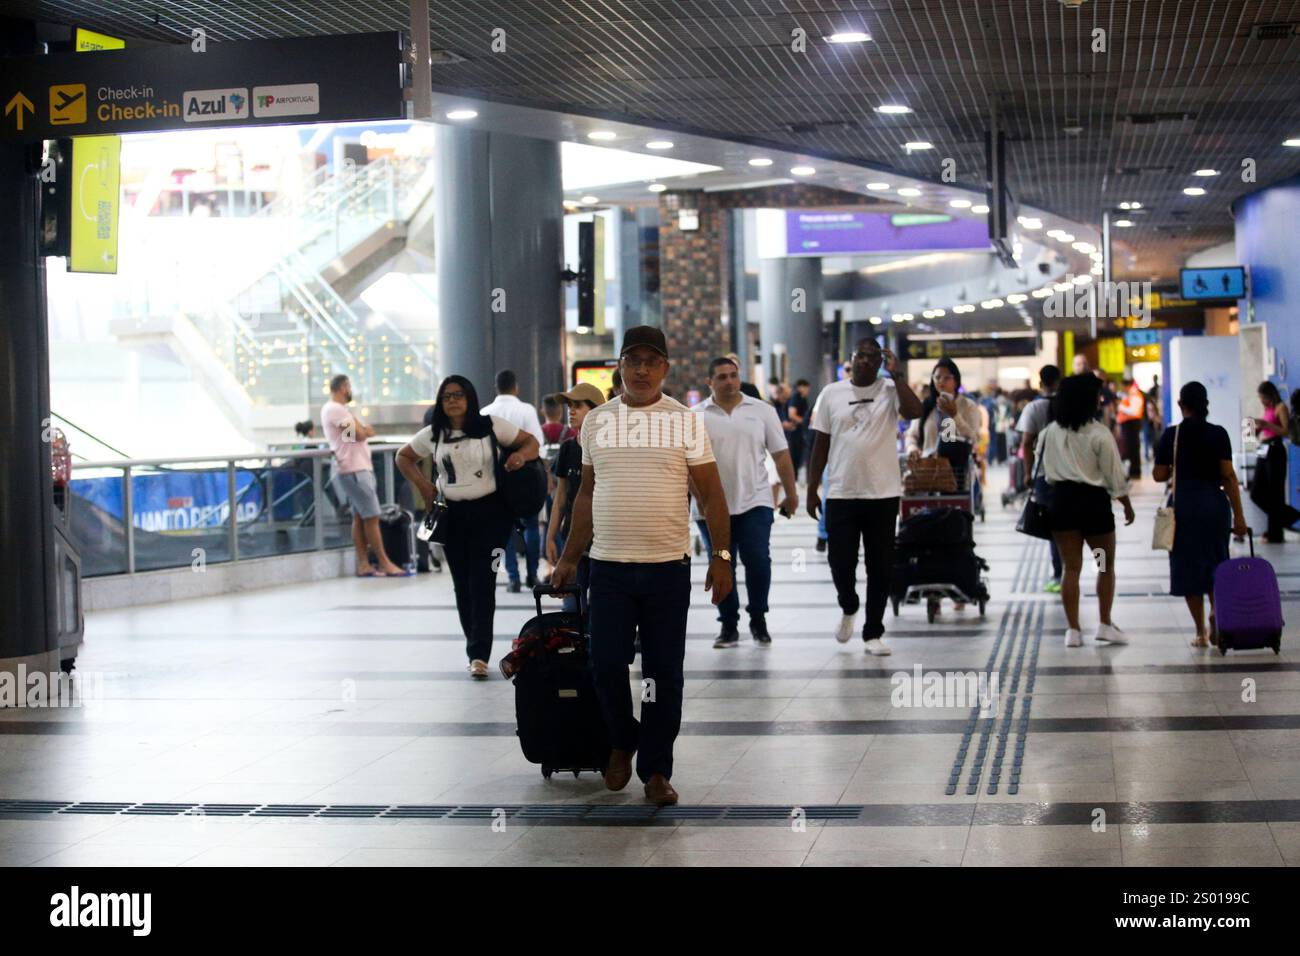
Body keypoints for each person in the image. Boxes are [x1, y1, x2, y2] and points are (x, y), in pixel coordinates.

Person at [551, 326, 733, 806]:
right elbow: (586, 494)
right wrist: (569, 556)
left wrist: (721, 557)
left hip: (667, 568)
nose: (642, 370)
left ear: (665, 368)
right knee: (605, 663)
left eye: (652, 361)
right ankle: (622, 737)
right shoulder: (597, 422)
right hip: (608, 567)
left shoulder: (685, 421)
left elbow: (712, 494)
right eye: (633, 360)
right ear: (620, 366)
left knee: (662, 674)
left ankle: (656, 769)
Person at [396, 375, 539, 678]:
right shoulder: (435, 433)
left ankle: (479, 654)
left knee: (483, 581)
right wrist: (423, 485)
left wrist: (519, 456)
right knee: (462, 583)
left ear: (470, 397)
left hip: (493, 515)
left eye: (458, 394)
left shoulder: (491, 425)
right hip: (453, 516)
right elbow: (403, 457)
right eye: (447, 396)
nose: (453, 400)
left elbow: (531, 442)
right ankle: (473, 647)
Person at [806, 337, 924, 654]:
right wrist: (812, 488)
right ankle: (849, 604)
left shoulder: (891, 390)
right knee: (839, 561)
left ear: (881, 361)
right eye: (861, 355)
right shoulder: (831, 393)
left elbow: (915, 411)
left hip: (883, 494)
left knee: (880, 566)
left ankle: (873, 632)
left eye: (873, 357)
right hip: (841, 492)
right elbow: (820, 444)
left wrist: (898, 376)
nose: (866, 361)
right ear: (852, 358)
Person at [692, 356, 798, 648]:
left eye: (733, 375)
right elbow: (687, 465)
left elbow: (781, 454)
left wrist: (791, 494)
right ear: (709, 382)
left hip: (755, 501)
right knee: (722, 563)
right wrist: (698, 499)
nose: (729, 381)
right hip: (711, 508)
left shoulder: (762, 411)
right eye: (722, 377)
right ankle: (728, 625)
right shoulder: (696, 416)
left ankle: (758, 618)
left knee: (758, 559)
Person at [1035, 373, 1135, 648]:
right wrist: (1126, 504)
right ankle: (1104, 624)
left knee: (1071, 568)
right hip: (1094, 508)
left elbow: (1040, 470)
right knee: (1103, 565)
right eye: (1097, 396)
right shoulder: (1099, 433)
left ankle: (1073, 631)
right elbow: (1114, 476)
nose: (1100, 400)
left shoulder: (1049, 433)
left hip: (1062, 505)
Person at [1152, 382, 1249, 647]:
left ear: (1181, 405)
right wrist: (1239, 517)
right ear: (1206, 404)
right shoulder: (1218, 434)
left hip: (1183, 508)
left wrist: (1173, 465)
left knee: (1187, 568)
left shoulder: (1172, 435)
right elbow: (1228, 476)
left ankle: (1199, 632)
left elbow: (1159, 474)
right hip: (1214, 507)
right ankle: (1217, 612)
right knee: (1217, 561)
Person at [319, 374, 407, 578]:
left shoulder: (340, 410)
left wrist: (362, 430)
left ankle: (364, 564)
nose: (351, 390)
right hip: (354, 469)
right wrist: (363, 430)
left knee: (360, 517)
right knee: (372, 516)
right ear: (343, 387)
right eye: (349, 386)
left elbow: (353, 435)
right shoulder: (335, 409)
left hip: (355, 467)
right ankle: (384, 563)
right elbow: (358, 434)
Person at [482, 369, 546, 592]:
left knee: (506, 529)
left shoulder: (485, 412)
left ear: (496, 388)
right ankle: (532, 574)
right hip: (527, 478)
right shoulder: (526, 410)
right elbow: (538, 442)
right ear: (515, 387)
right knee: (531, 525)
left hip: (498, 480)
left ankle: (513, 578)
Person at [544, 382, 605, 613]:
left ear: (596, 411)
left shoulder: (608, 449)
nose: (571, 411)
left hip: (604, 545)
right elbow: (560, 499)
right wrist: (550, 537)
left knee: (601, 611)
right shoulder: (568, 449)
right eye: (569, 406)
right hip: (572, 543)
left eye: (578, 406)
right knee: (571, 610)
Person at [1017, 364, 1064, 591]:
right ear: (1059, 380)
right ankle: (1071, 569)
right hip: (1070, 473)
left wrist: (1028, 473)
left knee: (1054, 527)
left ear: (1041, 383)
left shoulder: (1034, 408)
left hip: (1045, 474)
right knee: (1068, 524)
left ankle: (1059, 574)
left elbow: (1027, 443)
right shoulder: (1068, 405)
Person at [1250, 381, 1300, 542]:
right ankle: (1290, 516)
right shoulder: (1267, 410)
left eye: (1263, 397)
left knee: (1275, 493)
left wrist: (1266, 424)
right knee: (1257, 492)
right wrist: (1256, 429)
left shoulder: (1281, 408)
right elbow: (1265, 429)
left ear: (1271, 395)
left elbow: (1286, 431)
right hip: (1264, 448)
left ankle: (1275, 533)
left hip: (1276, 449)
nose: (1262, 401)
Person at [1116, 376, 1146, 479]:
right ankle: (1133, 471)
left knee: (1133, 448)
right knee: (1130, 448)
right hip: (1128, 425)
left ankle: (1135, 471)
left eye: (1122, 386)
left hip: (1132, 424)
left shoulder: (1135, 395)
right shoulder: (1128, 395)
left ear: (1128, 386)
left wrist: (1121, 407)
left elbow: (1134, 411)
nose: (1122, 389)